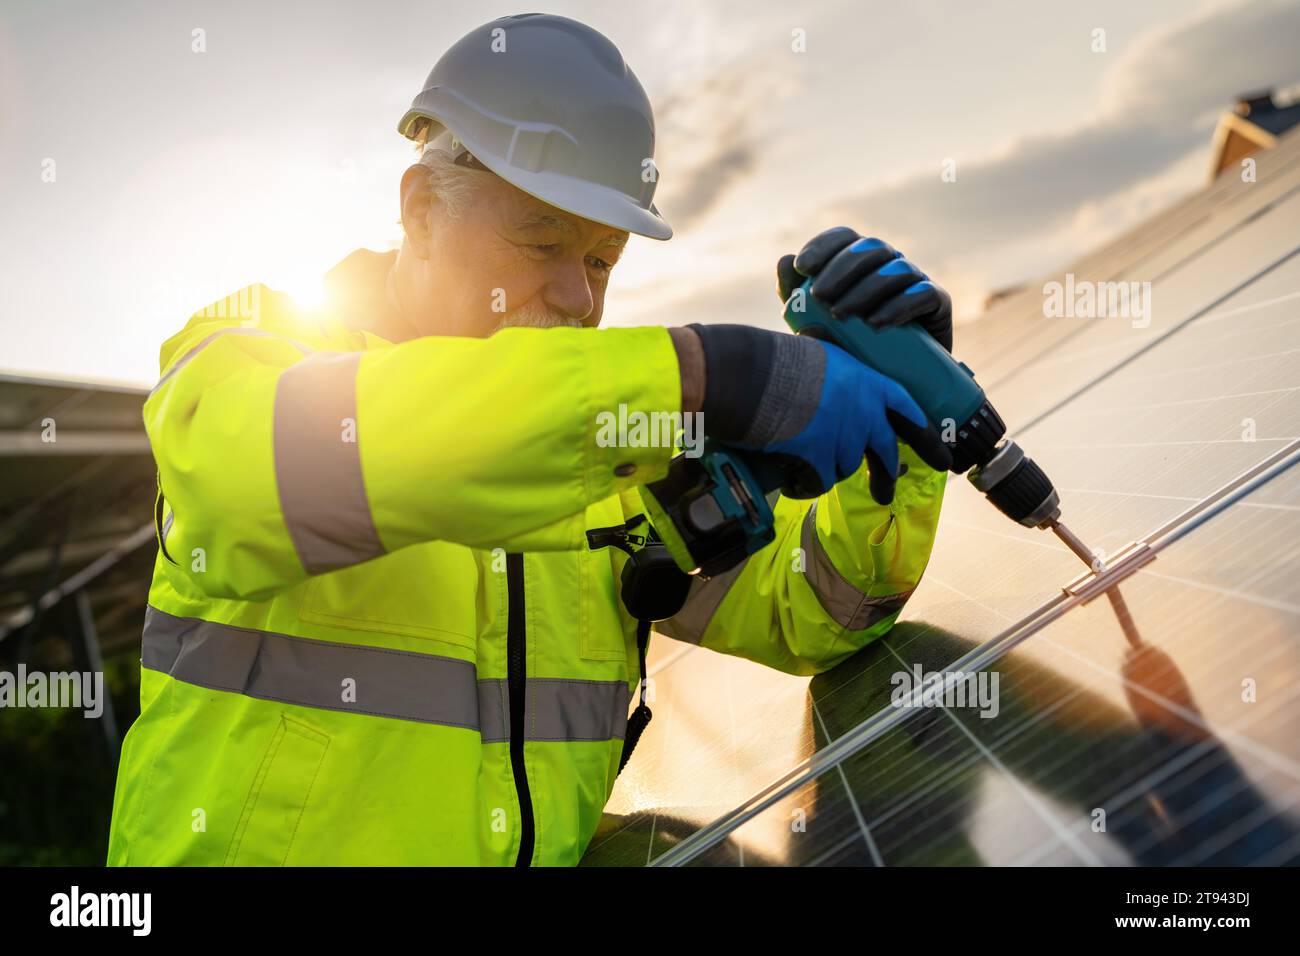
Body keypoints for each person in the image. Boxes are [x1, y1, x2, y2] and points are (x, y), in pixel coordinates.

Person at [106, 13, 954, 867]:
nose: (580, 299)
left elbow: (815, 615)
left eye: (600, 261)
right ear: (424, 210)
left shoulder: (611, 458)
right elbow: (257, 482)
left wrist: (905, 431)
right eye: (544, 239)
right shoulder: (251, 356)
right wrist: (697, 374)